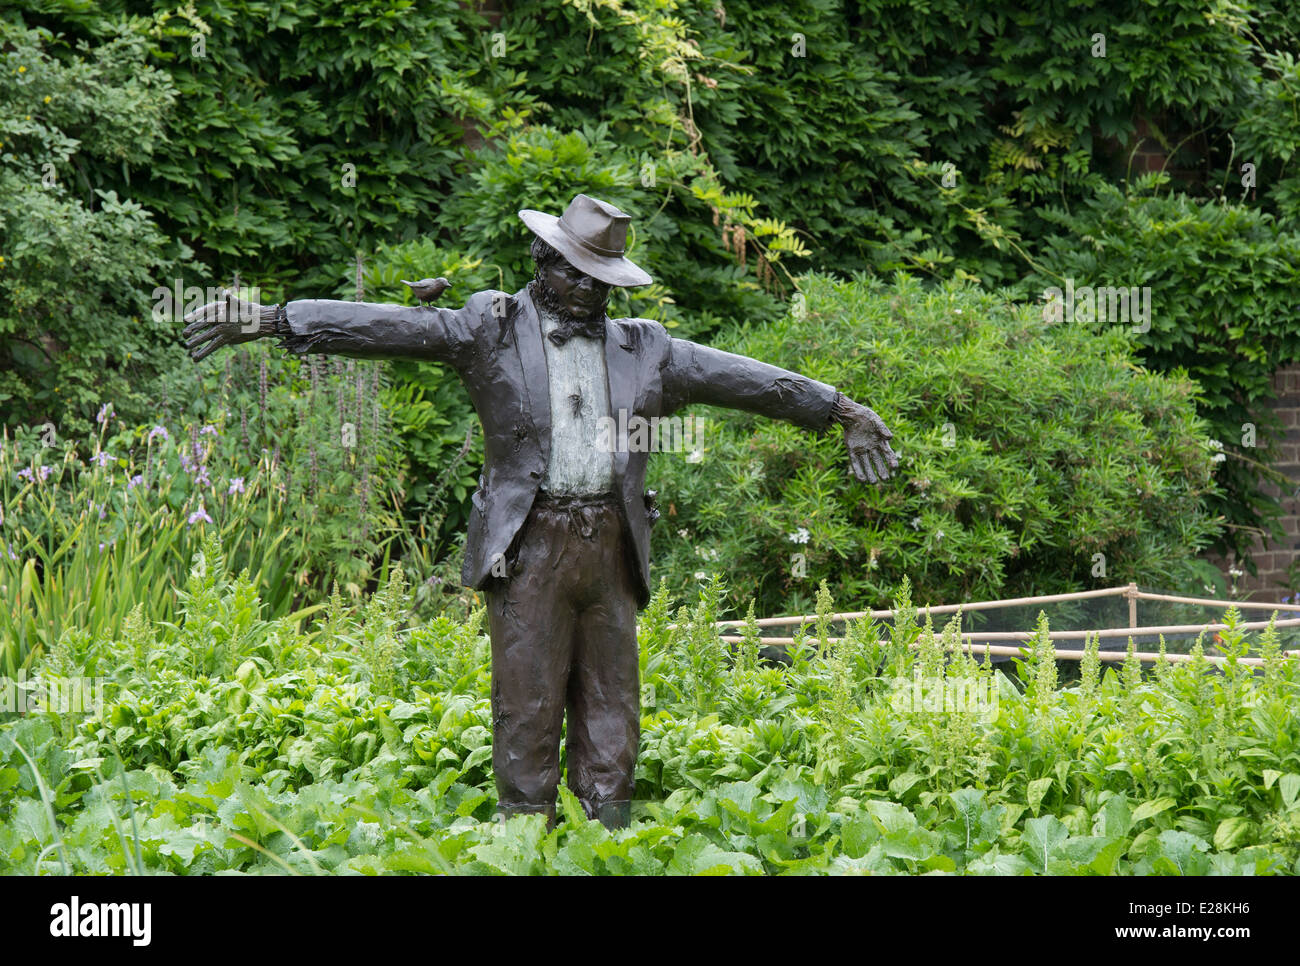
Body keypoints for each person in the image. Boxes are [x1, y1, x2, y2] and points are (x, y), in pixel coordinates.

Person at [183, 193, 899, 828]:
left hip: (612, 546)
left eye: (601, 280)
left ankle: (606, 835)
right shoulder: (488, 326)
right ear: (540, 258)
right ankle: (524, 835)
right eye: (573, 273)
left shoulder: (644, 347)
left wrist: (840, 409)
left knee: (612, 700)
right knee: (526, 701)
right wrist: (277, 320)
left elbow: (743, 379)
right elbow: (390, 326)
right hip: (529, 545)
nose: (586, 291)